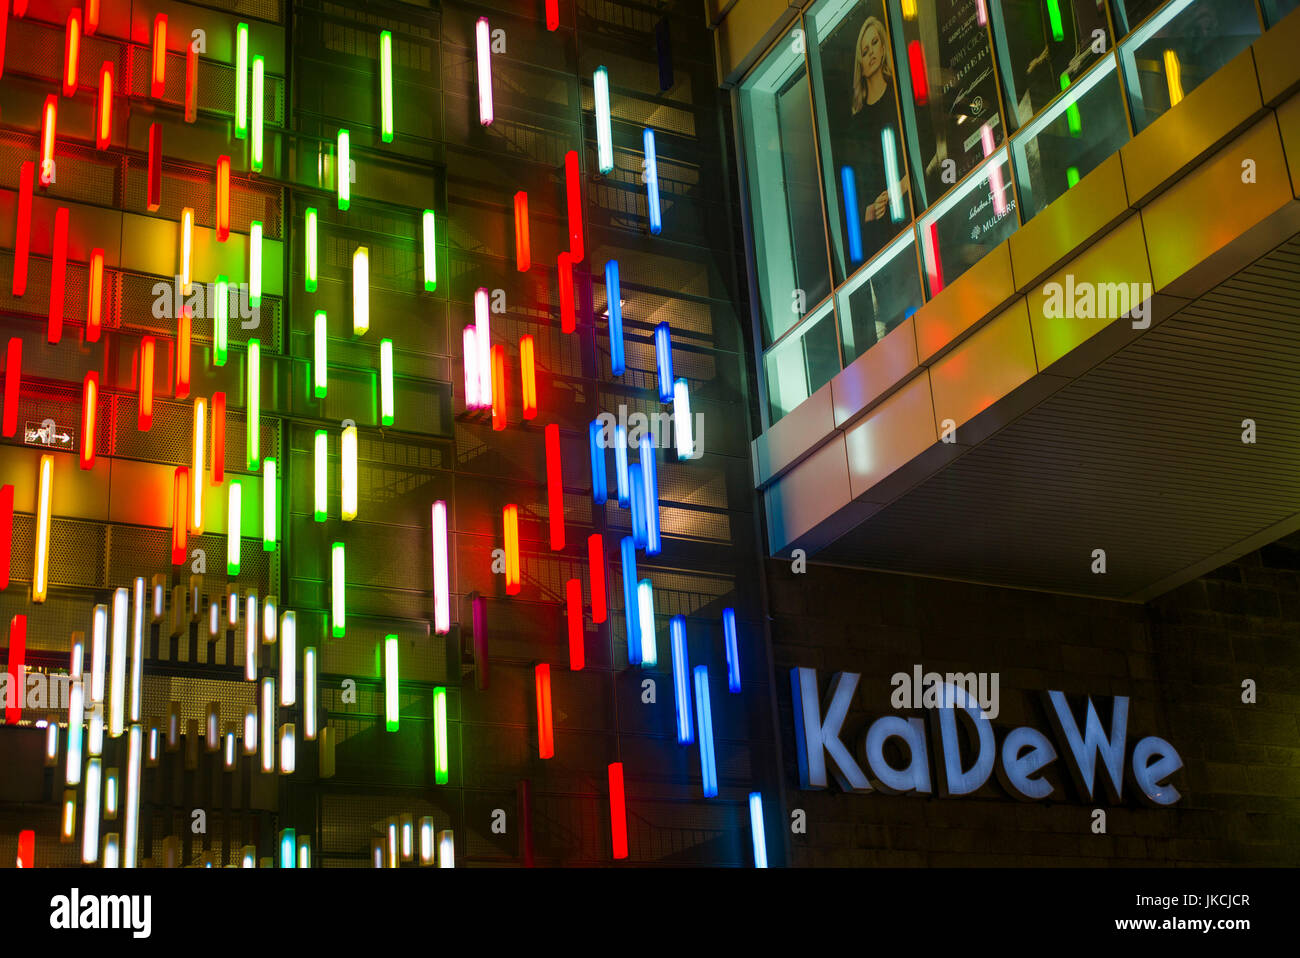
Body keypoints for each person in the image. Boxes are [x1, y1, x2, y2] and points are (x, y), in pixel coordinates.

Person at [846, 15, 908, 261]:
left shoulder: (899, 94)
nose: (870, 52)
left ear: (883, 47)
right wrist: (873, 208)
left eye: (875, 43)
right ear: (859, 62)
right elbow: (855, 190)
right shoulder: (857, 123)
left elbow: (926, 150)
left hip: (910, 211)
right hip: (879, 239)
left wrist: (898, 189)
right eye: (864, 50)